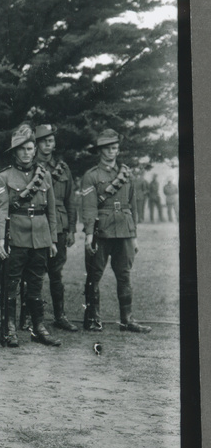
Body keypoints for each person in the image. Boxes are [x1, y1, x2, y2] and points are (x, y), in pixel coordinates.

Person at [0, 125, 60, 348]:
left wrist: (52, 239)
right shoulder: (3, 177)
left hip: (40, 237)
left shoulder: (45, 176)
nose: (26, 153)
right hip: (16, 236)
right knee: (10, 284)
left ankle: (38, 327)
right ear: (14, 152)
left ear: (35, 150)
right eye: (21, 149)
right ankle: (9, 328)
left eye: (30, 148)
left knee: (36, 284)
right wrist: (0, 238)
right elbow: (1, 209)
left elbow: (51, 209)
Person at [80, 129, 151, 333]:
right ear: (101, 150)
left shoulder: (126, 174)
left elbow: (133, 205)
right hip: (102, 230)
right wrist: (89, 235)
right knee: (94, 275)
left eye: (115, 147)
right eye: (108, 148)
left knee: (125, 275)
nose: (113, 151)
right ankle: (93, 319)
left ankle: (126, 320)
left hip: (125, 231)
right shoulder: (92, 175)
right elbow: (89, 207)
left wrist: (134, 236)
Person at [34, 124, 78, 331]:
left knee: (56, 272)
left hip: (59, 225)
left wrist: (71, 229)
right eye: (43, 141)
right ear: (36, 144)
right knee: (33, 273)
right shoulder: (30, 166)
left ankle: (60, 316)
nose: (47, 144)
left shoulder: (63, 168)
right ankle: (31, 317)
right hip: (36, 224)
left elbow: (70, 199)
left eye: (50, 141)